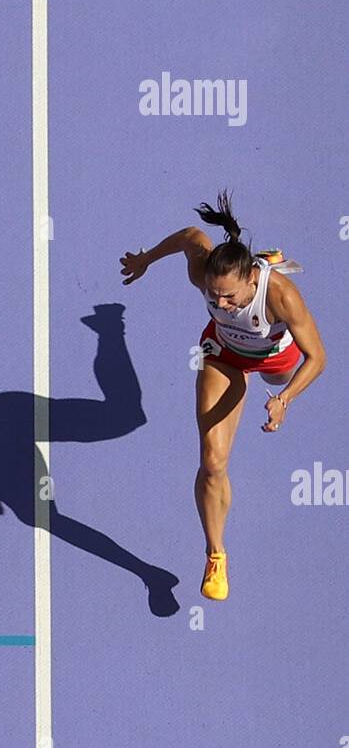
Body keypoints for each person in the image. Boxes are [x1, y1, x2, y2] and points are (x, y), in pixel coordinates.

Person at [119, 189, 326, 600]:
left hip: (274, 359)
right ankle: (216, 553)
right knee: (212, 462)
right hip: (225, 355)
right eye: (214, 296)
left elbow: (317, 358)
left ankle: (267, 258)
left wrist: (284, 399)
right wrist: (145, 260)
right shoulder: (205, 273)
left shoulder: (281, 296)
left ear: (251, 280)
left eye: (229, 296)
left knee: (273, 378)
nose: (221, 302)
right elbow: (189, 235)